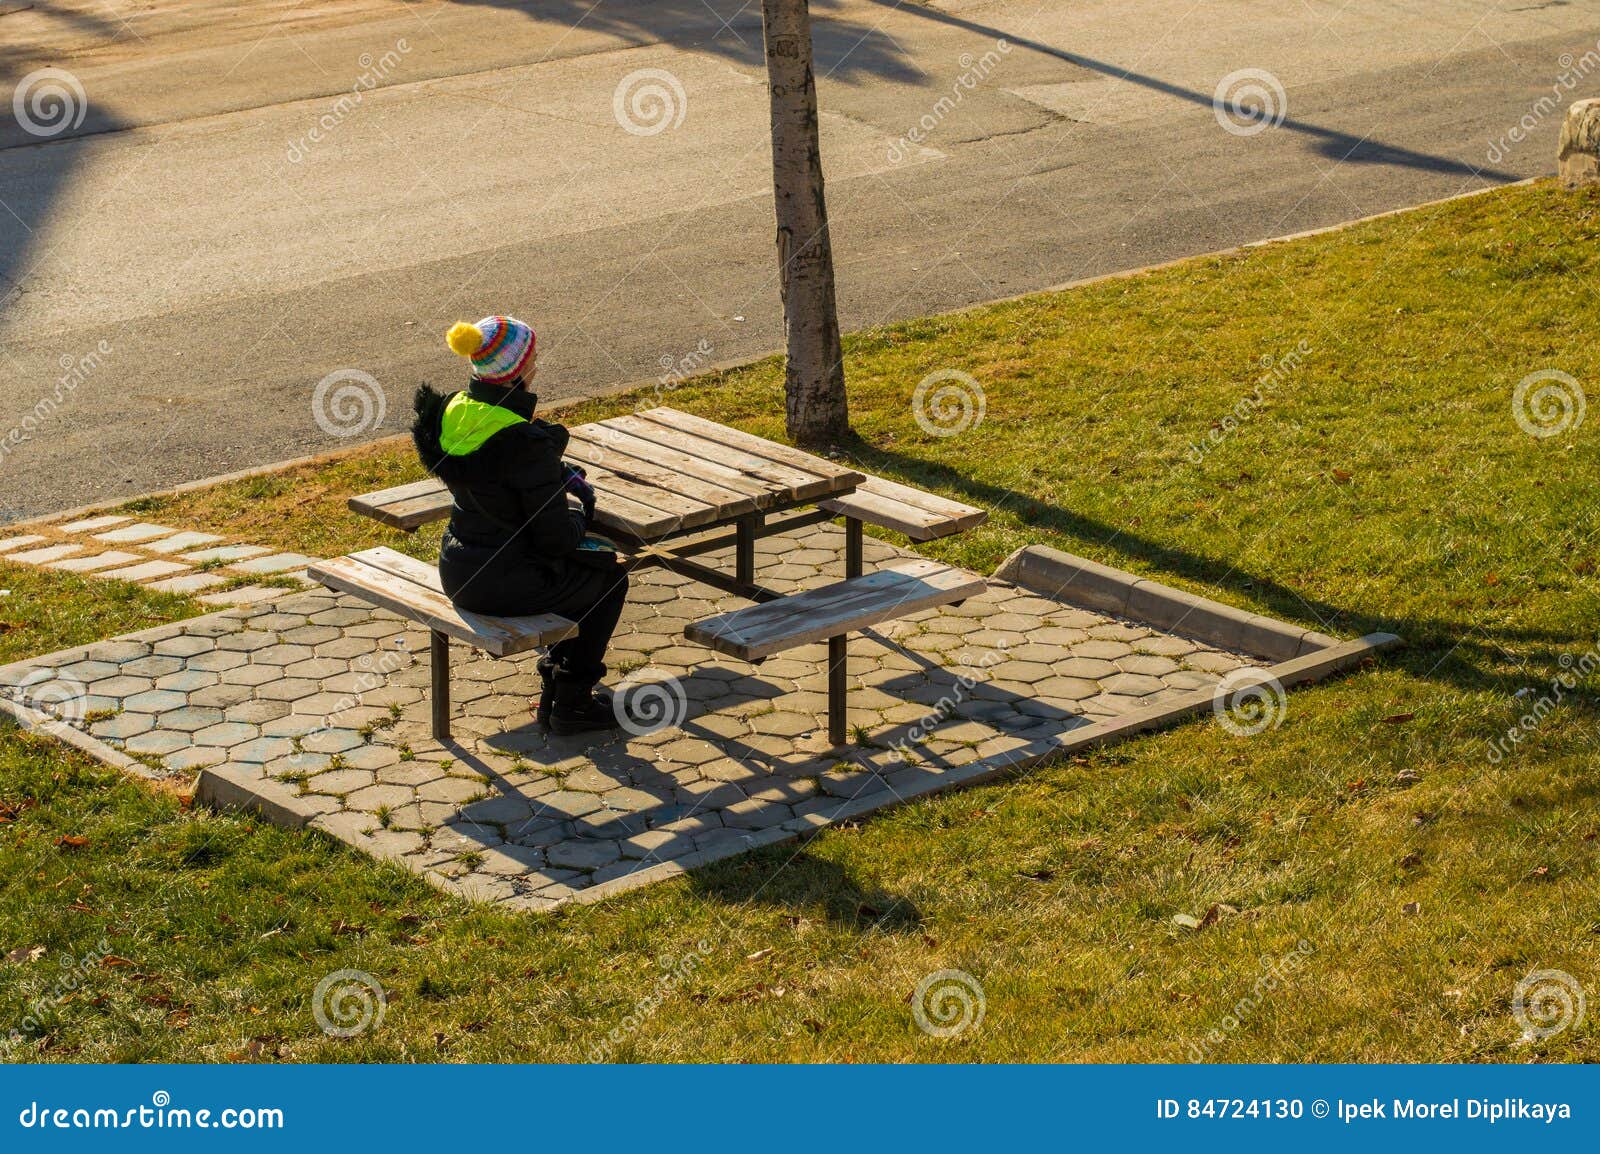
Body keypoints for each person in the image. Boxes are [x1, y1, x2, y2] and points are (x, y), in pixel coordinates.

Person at [411, 315, 627, 734]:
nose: (537, 365)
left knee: (582, 574)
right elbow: (556, 540)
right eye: (533, 358)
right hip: (504, 582)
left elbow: (501, 486)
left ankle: (557, 681)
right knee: (609, 579)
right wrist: (581, 510)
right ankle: (572, 701)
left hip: (458, 570)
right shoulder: (523, 444)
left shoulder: (456, 411)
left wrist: (549, 465)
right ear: (520, 371)